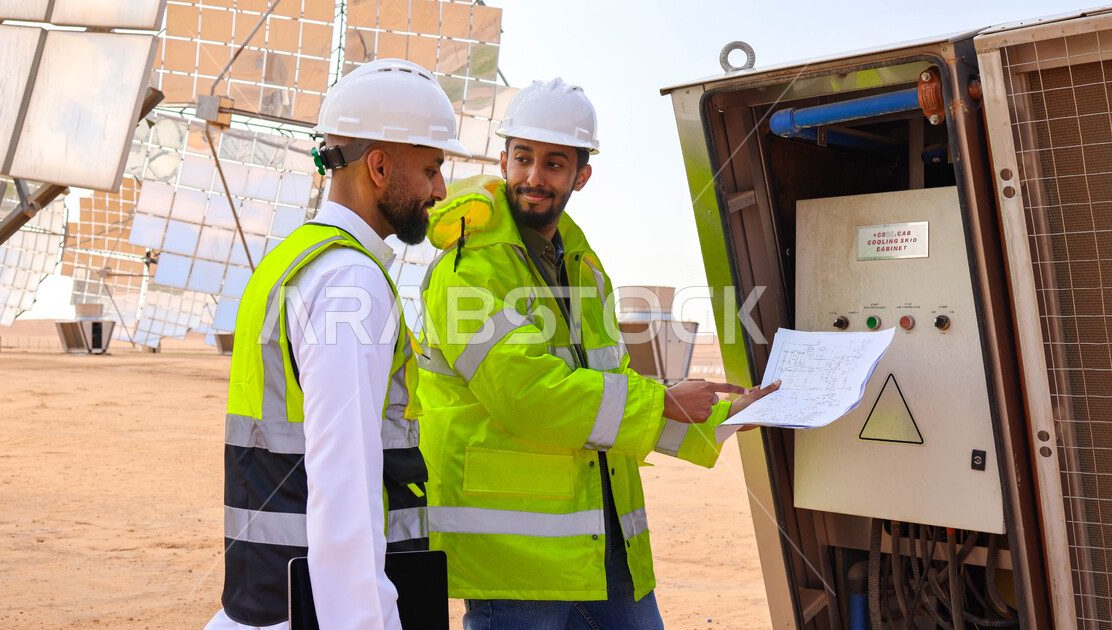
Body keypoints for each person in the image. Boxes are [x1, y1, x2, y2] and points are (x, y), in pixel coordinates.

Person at [414, 78, 778, 629]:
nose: (534, 177)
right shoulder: (468, 269)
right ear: (505, 159)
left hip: (603, 541)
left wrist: (723, 417)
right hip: (516, 554)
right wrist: (661, 402)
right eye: (523, 158)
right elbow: (526, 395)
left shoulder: (586, 270)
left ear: (582, 175)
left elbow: (611, 388)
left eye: (554, 164)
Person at [204, 58, 469, 630]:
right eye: (431, 168)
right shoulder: (353, 281)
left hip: (271, 597)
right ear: (378, 166)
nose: (441, 189)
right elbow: (345, 482)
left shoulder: (297, 258)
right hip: (321, 611)